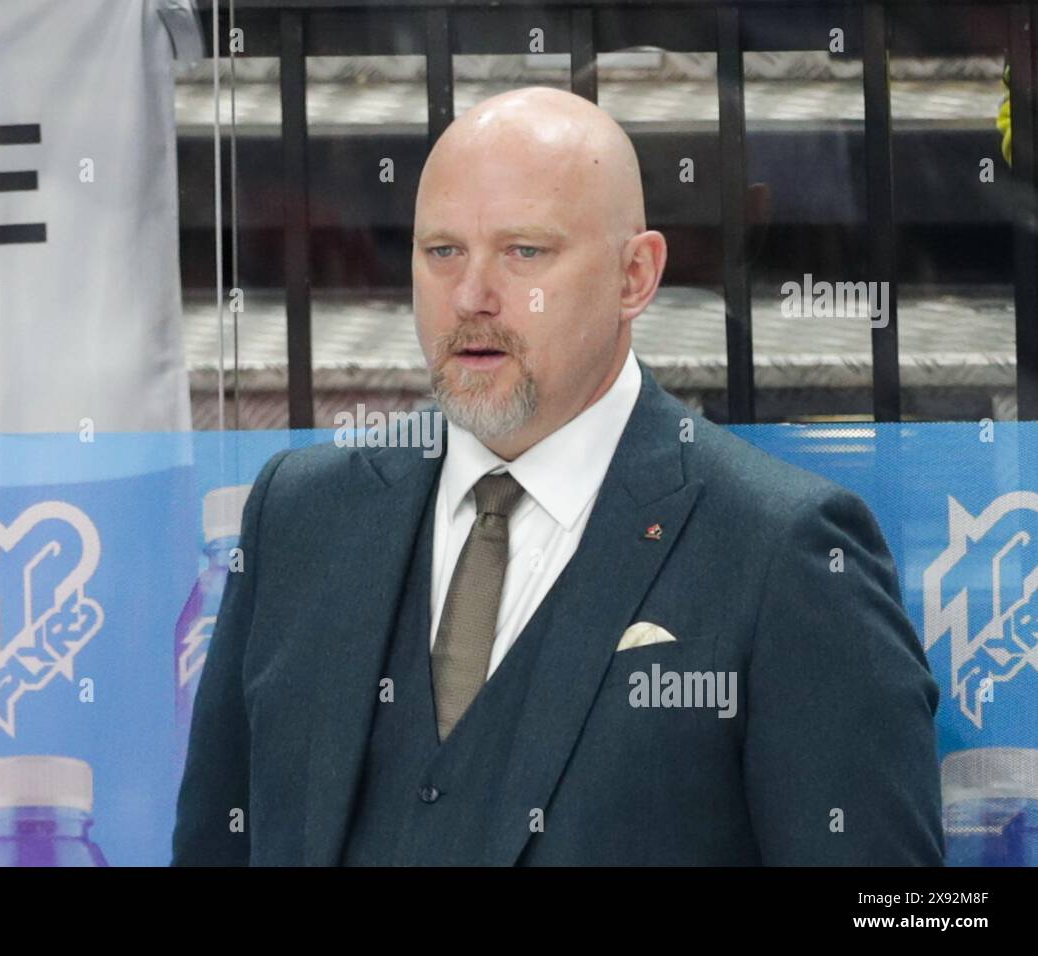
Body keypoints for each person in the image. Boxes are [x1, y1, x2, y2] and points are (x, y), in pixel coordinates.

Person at [172, 86, 944, 866]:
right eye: (442, 251)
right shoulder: (301, 517)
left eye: (524, 252)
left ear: (634, 276)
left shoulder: (785, 551)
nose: (471, 295)